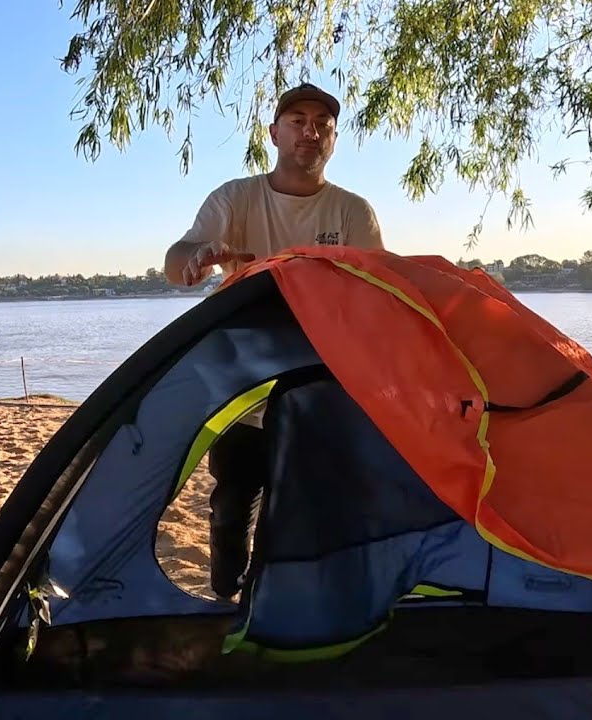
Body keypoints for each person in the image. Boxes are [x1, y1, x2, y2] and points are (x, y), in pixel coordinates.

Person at [163, 83, 385, 599]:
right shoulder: (236, 198)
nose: (310, 131)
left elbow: (376, 297)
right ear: (274, 133)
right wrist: (198, 257)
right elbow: (176, 263)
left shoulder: (353, 213)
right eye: (297, 121)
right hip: (242, 384)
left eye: (322, 124)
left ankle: (269, 606)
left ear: (333, 139)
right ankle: (225, 595)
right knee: (231, 503)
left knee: (293, 501)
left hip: (316, 380)